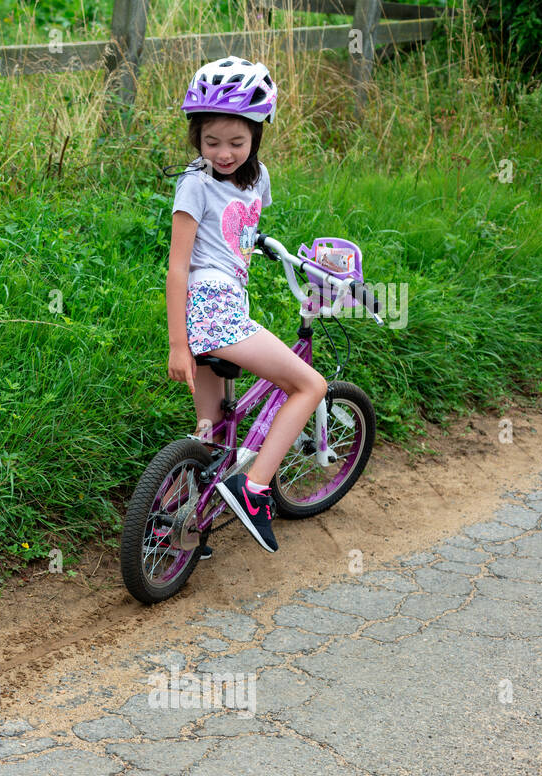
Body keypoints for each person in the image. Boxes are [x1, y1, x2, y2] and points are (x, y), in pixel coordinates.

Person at [165, 58, 327, 554]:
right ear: (197, 138)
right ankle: (253, 489)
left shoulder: (258, 179)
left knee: (213, 432)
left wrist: (267, 247)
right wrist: (178, 346)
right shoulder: (194, 182)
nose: (224, 153)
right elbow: (178, 267)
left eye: (237, 142)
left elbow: (240, 232)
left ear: (257, 134)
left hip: (223, 305)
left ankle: (185, 528)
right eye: (212, 142)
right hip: (212, 308)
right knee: (310, 384)